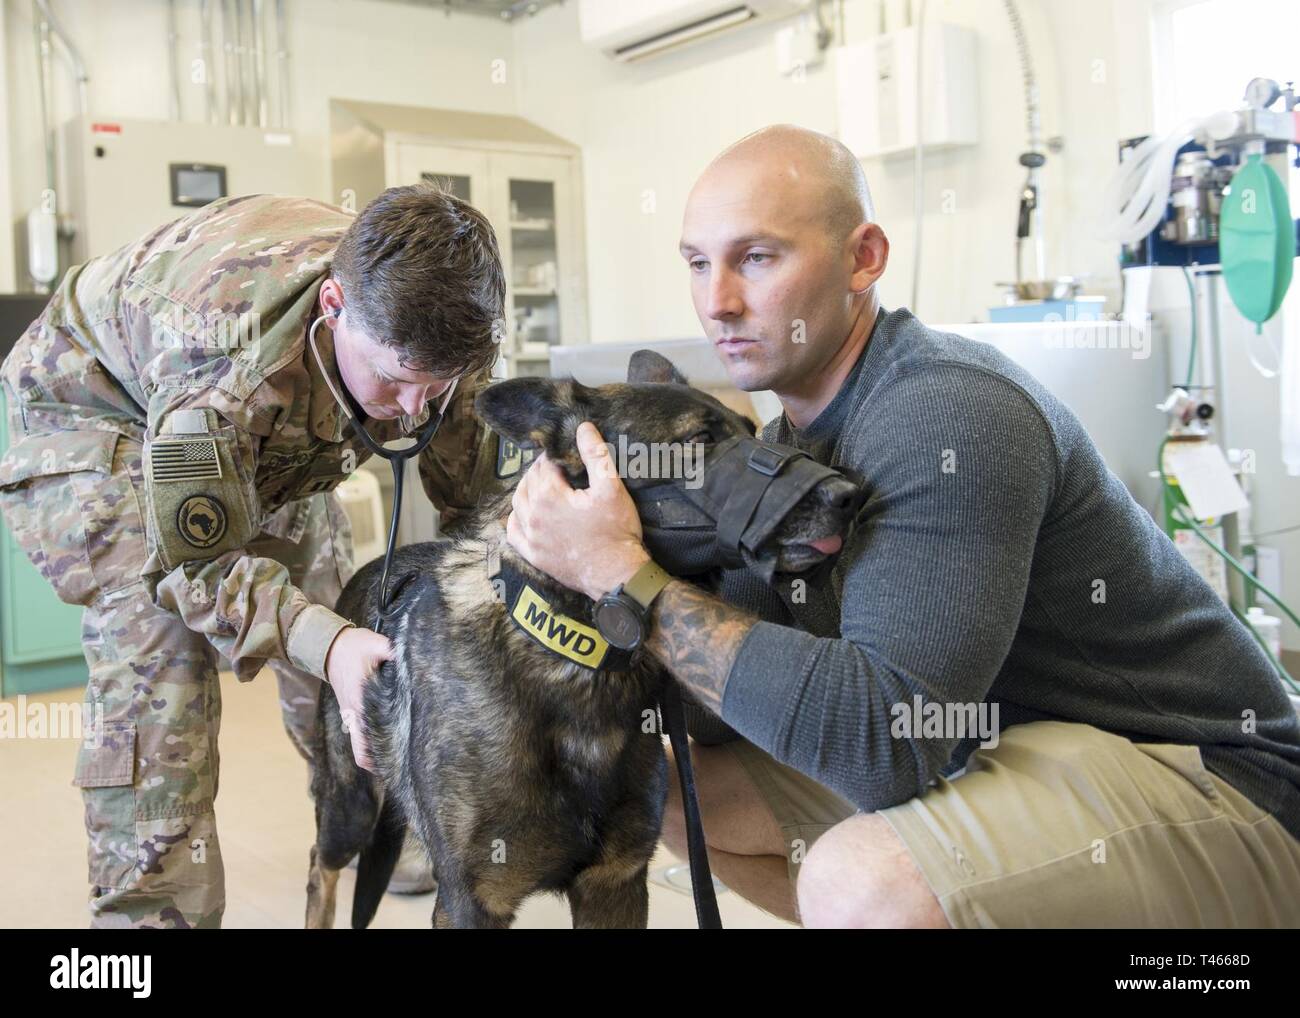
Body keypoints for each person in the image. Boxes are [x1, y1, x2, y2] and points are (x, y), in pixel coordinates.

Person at [504, 125, 1300, 928]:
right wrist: (636, 544)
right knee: (664, 787)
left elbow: (885, 745)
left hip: (1215, 782)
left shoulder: (947, 413)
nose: (718, 302)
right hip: (1010, 747)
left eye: (757, 258)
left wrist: (621, 576)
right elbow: (718, 713)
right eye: (699, 263)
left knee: (860, 880)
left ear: (864, 258)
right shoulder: (785, 448)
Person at [0, 185, 509, 928]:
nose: (414, 409)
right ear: (334, 306)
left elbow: (476, 492)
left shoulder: (434, 319)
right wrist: (324, 644)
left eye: (438, 386)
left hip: (266, 428)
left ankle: (369, 830)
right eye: (396, 381)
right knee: (160, 657)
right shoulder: (221, 362)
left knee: (343, 620)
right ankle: (148, 920)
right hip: (94, 414)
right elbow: (194, 568)